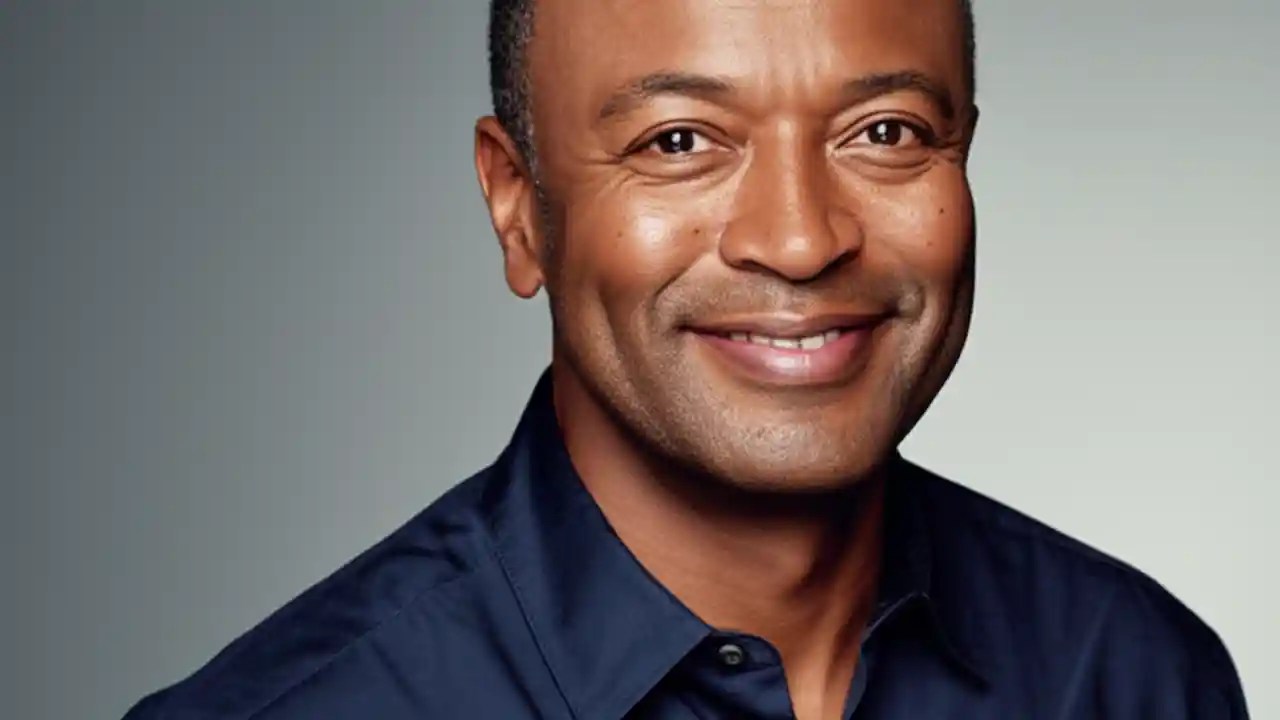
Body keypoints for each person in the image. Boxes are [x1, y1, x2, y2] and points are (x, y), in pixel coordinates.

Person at [124, 0, 1250, 718]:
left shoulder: (1133, 676)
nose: (800, 240)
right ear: (517, 209)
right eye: (677, 142)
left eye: (886, 133)